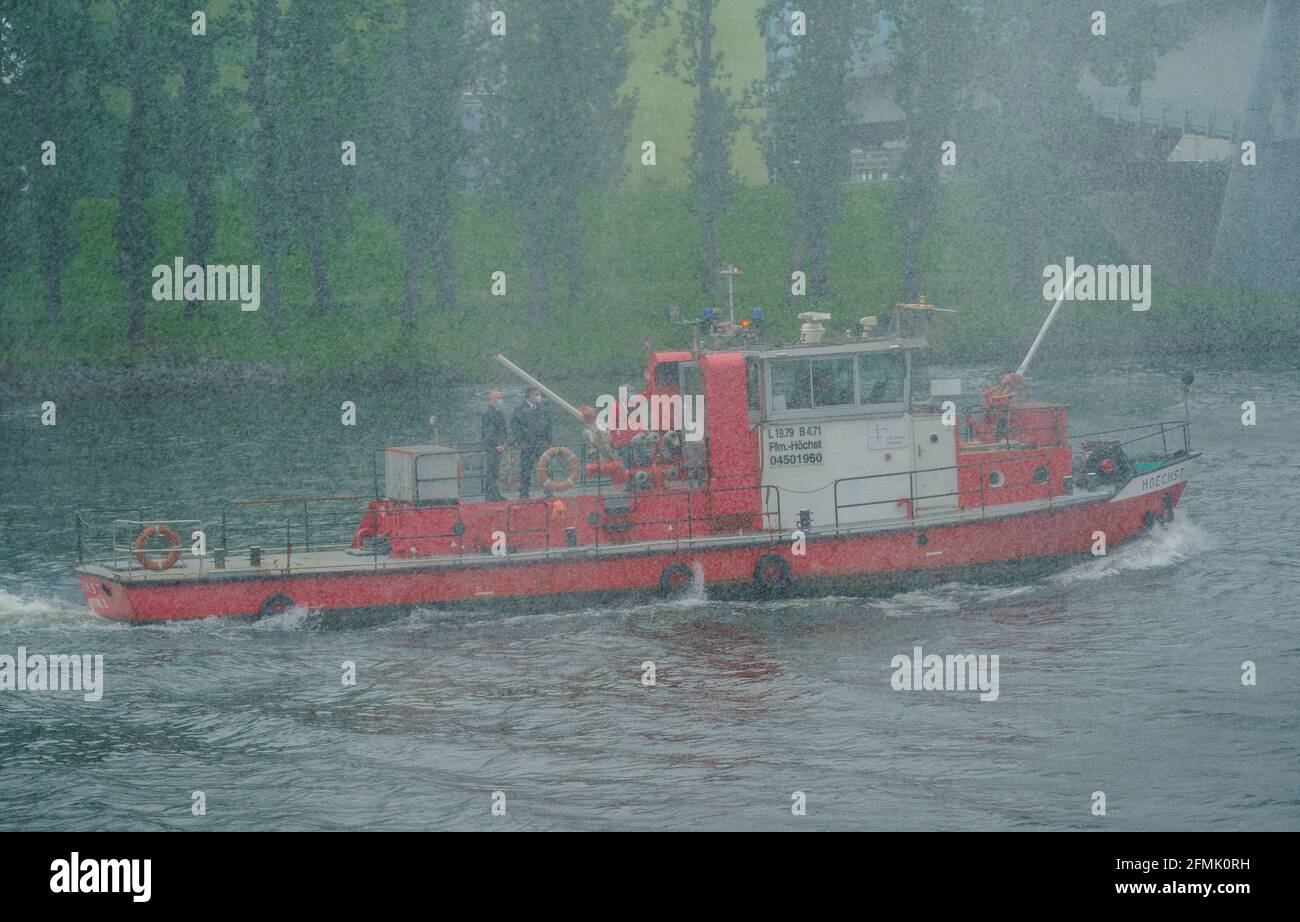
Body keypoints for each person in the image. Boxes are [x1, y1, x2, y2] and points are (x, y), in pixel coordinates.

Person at [512, 385, 552, 499]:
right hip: (528, 444)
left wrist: (549, 440)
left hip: (541, 444)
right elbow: (516, 426)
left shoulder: (542, 409)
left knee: (544, 468)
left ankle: (548, 491)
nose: (538, 397)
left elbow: (548, 425)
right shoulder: (520, 409)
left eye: (539, 395)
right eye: (536, 395)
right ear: (529, 396)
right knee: (526, 469)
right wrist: (519, 440)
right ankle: (524, 492)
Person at [481, 388, 508, 501]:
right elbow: (489, 431)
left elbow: (502, 429)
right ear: (493, 399)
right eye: (499, 397)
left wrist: (504, 441)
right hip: (493, 447)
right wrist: (496, 445)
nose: (501, 400)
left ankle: (493, 494)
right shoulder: (489, 412)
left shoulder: (498, 411)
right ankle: (491, 495)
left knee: (494, 471)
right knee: (491, 471)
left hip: (499, 445)